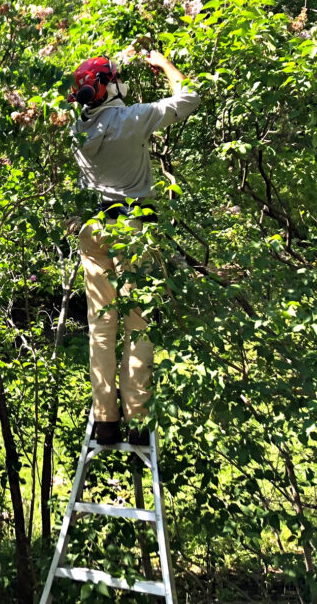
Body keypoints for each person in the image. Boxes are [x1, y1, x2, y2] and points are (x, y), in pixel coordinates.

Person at [70, 51, 199, 445]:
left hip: (94, 229)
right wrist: (164, 66)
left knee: (101, 329)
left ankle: (105, 420)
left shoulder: (77, 130)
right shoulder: (132, 118)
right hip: (134, 228)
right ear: (109, 87)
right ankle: (139, 418)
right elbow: (188, 98)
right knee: (138, 322)